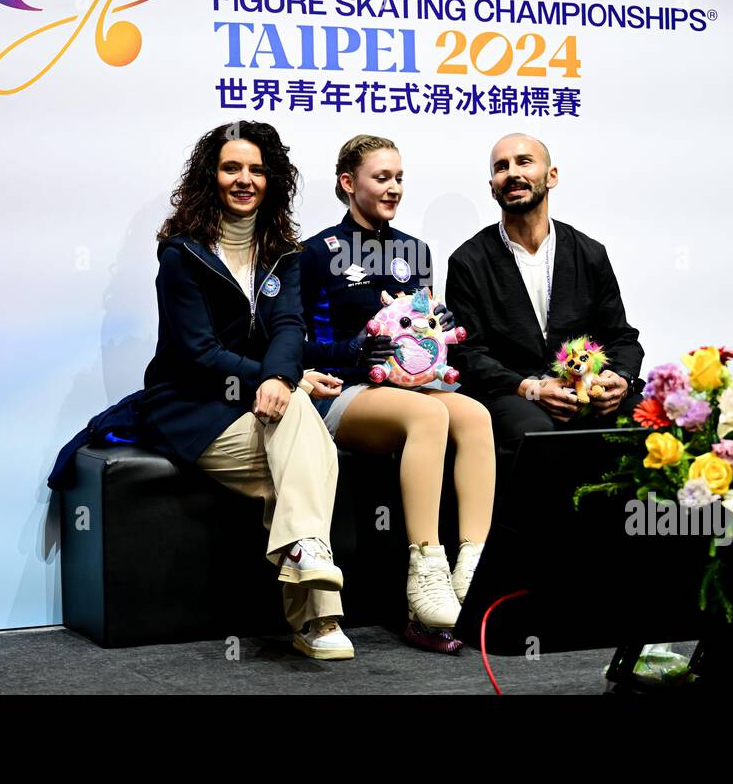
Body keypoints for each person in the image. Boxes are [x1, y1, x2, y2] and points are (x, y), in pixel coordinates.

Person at [136, 120, 352, 661]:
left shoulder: (284, 252)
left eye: (256, 169)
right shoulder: (181, 256)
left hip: (263, 403)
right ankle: (319, 622)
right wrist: (279, 379)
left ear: (271, 179)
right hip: (191, 407)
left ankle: (305, 558)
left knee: (296, 448)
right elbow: (198, 353)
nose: (244, 179)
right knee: (312, 452)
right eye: (232, 167)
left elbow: (288, 329)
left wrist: (280, 377)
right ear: (211, 176)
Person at [299, 134, 496, 648]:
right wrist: (356, 348)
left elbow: (424, 332)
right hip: (340, 391)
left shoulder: (415, 249)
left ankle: (471, 567)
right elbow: (298, 344)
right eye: (381, 178)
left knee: (474, 415)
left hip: (408, 387)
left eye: (399, 178)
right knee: (428, 418)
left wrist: (440, 325)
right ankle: (425, 570)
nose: (393, 188)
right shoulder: (316, 252)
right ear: (348, 183)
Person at [445, 132, 645, 481]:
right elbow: (466, 354)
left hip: (586, 390)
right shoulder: (468, 261)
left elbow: (623, 338)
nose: (512, 173)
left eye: (524, 162)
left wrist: (621, 380)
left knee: (645, 418)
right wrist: (530, 388)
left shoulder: (589, 253)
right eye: (501, 167)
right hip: (511, 393)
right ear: (493, 187)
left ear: (551, 176)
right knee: (536, 434)